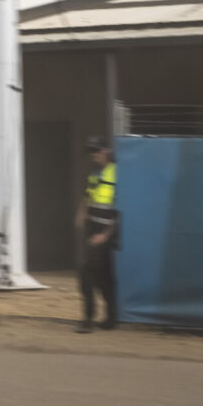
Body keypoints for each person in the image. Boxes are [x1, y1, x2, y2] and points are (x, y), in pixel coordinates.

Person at [75, 136, 120, 333]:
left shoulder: (117, 173)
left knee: (87, 274)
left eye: (96, 151)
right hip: (92, 230)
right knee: (103, 277)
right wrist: (81, 212)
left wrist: (106, 234)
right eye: (91, 152)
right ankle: (111, 317)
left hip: (106, 232)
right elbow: (87, 196)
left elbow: (122, 208)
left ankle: (88, 319)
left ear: (105, 151)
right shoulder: (95, 173)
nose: (93, 155)